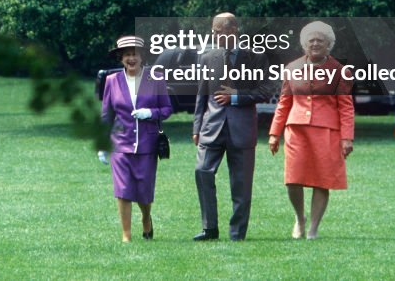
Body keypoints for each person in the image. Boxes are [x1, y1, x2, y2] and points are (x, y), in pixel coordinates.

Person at [268, 21, 354, 240]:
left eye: (320, 41)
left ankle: (313, 227)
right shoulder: (291, 68)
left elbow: (345, 106)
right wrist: (273, 133)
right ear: (304, 44)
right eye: (311, 40)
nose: (315, 44)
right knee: (293, 178)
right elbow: (284, 102)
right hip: (296, 130)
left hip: (327, 131)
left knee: (322, 180)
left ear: (329, 45)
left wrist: (347, 137)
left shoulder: (340, 71)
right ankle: (299, 218)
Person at [191, 13, 271, 242]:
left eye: (218, 31)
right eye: (213, 31)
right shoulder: (207, 58)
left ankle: (237, 233)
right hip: (211, 127)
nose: (214, 35)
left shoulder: (256, 57)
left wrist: (237, 97)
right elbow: (202, 94)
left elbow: (265, 91)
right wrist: (197, 126)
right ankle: (209, 229)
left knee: (241, 184)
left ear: (234, 29)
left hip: (242, 129)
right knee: (202, 171)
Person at [100, 35, 173, 242]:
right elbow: (106, 115)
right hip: (120, 145)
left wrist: (149, 113)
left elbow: (167, 109)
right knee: (123, 190)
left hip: (147, 144)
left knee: (144, 191)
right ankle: (126, 235)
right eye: (127, 55)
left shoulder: (155, 78)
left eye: (135, 54)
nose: (131, 58)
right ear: (121, 58)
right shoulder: (112, 81)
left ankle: (146, 218)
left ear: (142, 57)